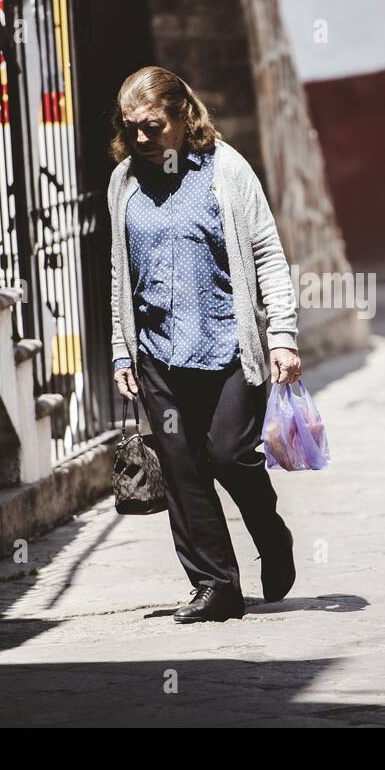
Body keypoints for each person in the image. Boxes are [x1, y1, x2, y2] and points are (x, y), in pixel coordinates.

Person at [108, 65, 301, 623]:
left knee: (227, 454)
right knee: (182, 469)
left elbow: (266, 253)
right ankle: (215, 585)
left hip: (226, 345)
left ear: (182, 115)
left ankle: (268, 529)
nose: (143, 139)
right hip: (158, 352)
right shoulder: (124, 181)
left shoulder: (225, 169)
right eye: (132, 128)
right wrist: (124, 349)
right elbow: (120, 270)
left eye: (153, 125)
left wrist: (282, 336)